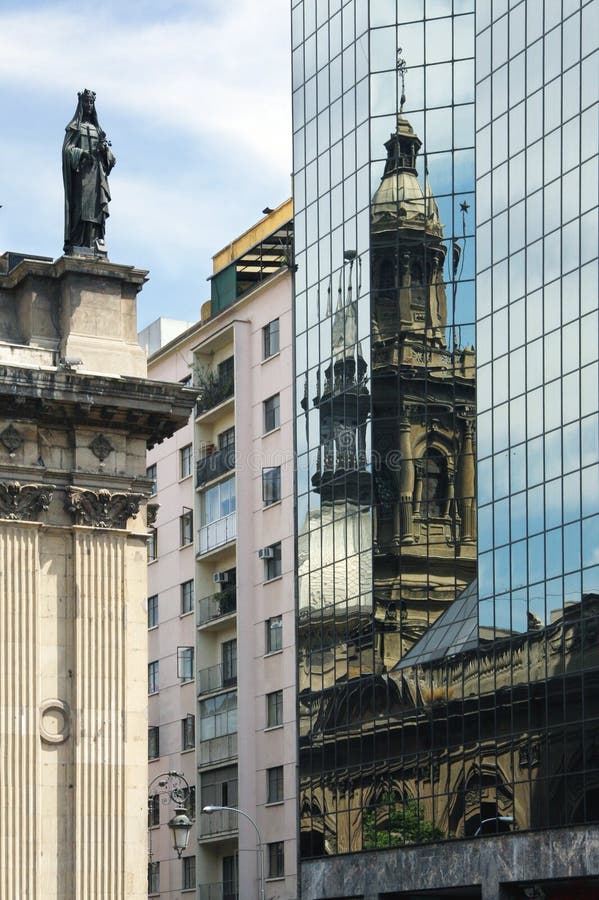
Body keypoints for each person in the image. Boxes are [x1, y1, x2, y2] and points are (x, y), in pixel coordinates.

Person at [62, 89, 116, 255]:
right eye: (86, 102)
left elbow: (111, 160)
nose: (89, 105)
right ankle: (79, 241)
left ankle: (95, 242)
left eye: (91, 102)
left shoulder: (98, 131)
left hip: (97, 174)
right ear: (81, 104)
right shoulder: (75, 128)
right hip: (82, 174)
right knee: (81, 207)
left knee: (96, 210)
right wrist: (81, 153)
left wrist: (104, 150)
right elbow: (67, 150)